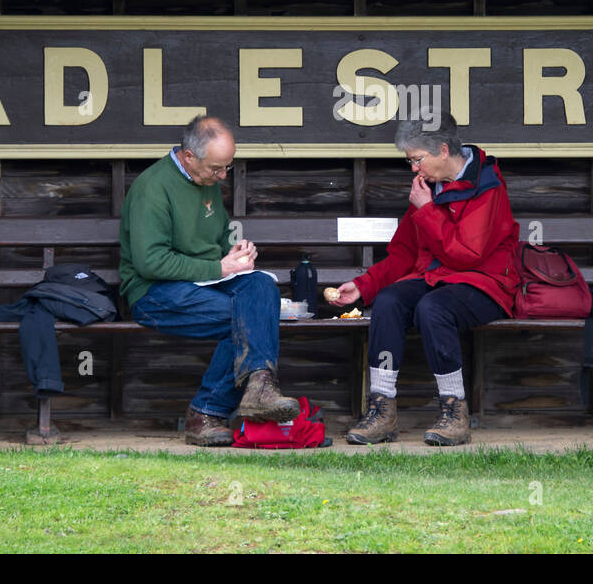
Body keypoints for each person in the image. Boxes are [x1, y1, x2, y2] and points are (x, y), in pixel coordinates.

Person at [331, 112, 520, 446]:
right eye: (410, 161)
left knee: (432, 308)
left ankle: (454, 411)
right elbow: (404, 254)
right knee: (389, 301)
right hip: (438, 278)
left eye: (417, 159)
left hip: (485, 284)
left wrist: (427, 210)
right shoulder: (429, 189)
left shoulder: (488, 185)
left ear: (443, 150)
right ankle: (382, 408)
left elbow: (467, 255)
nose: (414, 169)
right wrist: (363, 285)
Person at [119, 115, 298, 446]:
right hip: (153, 294)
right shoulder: (152, 188)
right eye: (217, 168)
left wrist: (236, 255)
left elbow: (213, 247)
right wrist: (220, 269)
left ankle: (258, 387)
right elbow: (151, 262)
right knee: (244, 317)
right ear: (189, 156)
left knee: (261, 288)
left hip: (201, 285)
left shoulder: (206, 182)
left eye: (227, 167)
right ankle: (206, 411)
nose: (222, 176)